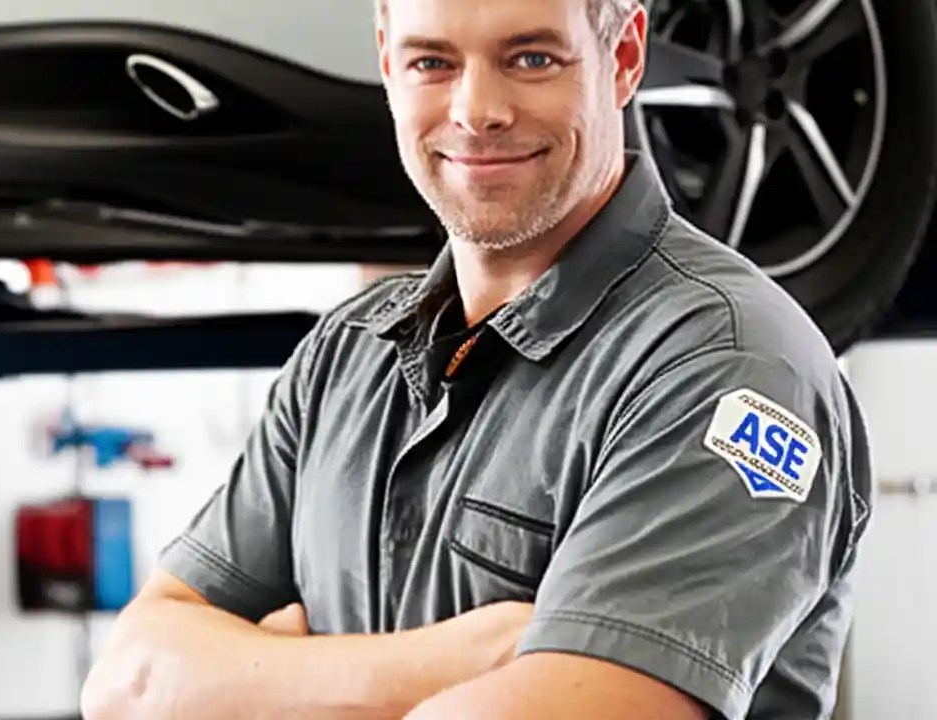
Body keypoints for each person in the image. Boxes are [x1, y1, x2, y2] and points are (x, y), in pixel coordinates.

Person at [79, 0, 874, 717]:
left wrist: (264, 674)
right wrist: (460, 661)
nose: (478, 111)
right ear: (388, 62)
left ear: (625, 55)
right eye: (434, 62)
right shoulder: (346, 358)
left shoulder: (723, 366)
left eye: (532, 58)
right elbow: (129, 684)